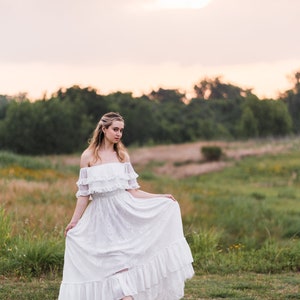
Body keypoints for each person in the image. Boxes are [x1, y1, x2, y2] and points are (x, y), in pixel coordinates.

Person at [58, 112, 194, 300]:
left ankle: (126, 296)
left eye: (121, 130)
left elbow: (133, 191)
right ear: (103, 129)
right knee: (108, 264)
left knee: (123, 263)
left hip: (124, 214)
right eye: (115, 129)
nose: (119, 133)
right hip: (100, 217)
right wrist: (74, 221)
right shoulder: (88, 157)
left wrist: (160, 196)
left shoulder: (122, 156)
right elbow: (83, 194)